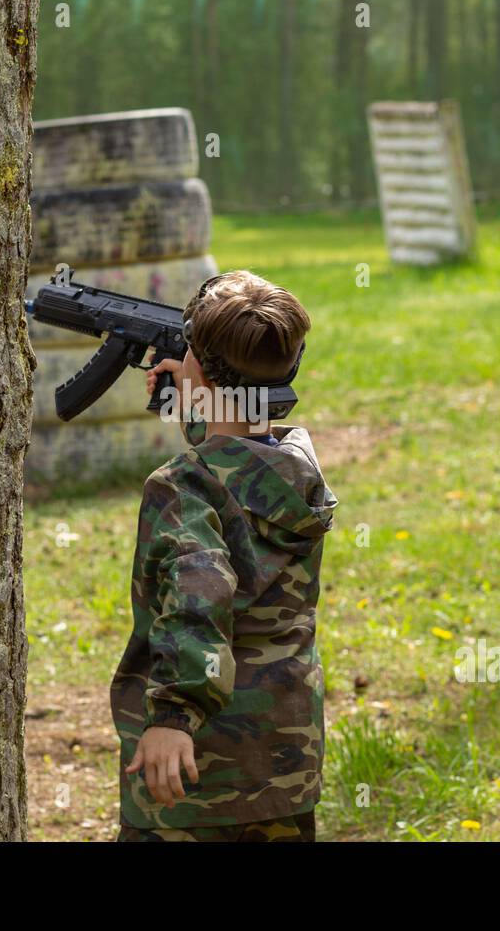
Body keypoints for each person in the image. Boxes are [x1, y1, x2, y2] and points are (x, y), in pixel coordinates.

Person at [111, 270, 338, 842]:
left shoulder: (183, 488)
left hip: (200, 778)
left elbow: (198, 598)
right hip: (283, 758)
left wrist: (172, 718)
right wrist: (198, 400)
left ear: (199, 369)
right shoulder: (298, 471)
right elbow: (239, 465)